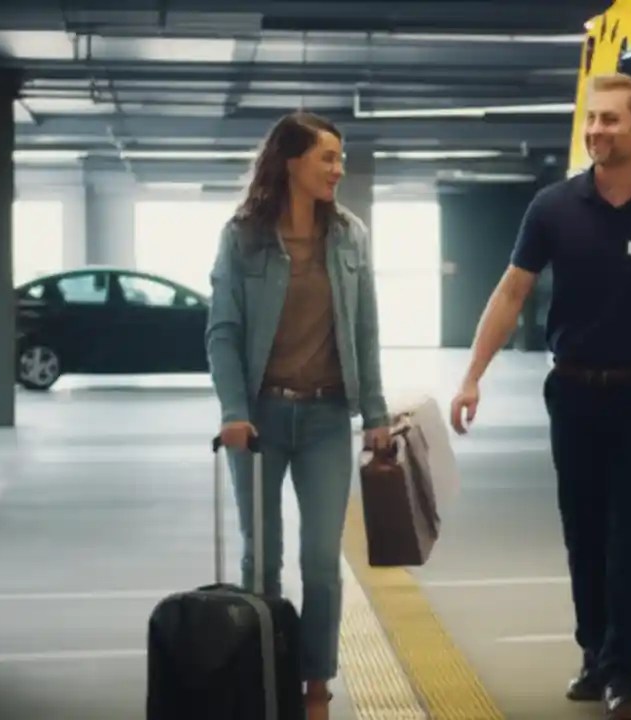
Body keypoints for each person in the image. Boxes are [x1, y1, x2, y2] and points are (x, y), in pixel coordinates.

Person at [449, 72, 631, 720]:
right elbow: (510, 293)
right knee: (583, 534)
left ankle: (623, 670)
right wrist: (472, 375)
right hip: (574, 392)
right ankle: (594, 655)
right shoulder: (553, 208)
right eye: (592, 119)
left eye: (611, 120)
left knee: (629, 536)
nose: (596, 130)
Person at [205, 111, 391, 720]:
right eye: (327, 159)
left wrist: (376, 415)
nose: (339, 169)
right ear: (291, 163)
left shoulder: (351, 237)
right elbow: (223, 332)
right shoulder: (243, 237)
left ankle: (316, 686)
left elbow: (365, 329)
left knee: (320, 559)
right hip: (258, 420)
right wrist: (233, 411)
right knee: (262, 558)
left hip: (325, 420)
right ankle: (266, 675)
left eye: (341, 159)